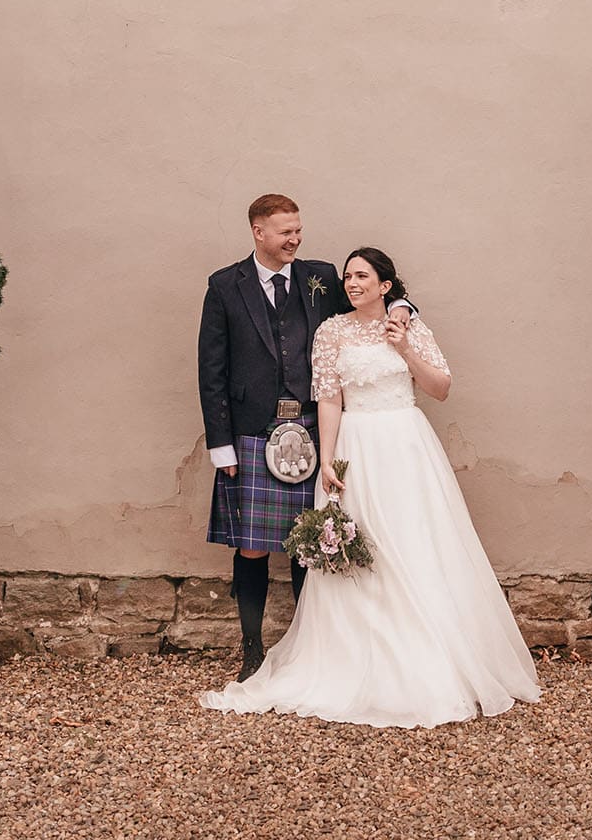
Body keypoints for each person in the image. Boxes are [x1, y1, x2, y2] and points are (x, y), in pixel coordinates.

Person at [200, 247, 541, 728]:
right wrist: (328, 460)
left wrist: (405, 348)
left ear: (385, 286)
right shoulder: (331, 331)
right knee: (364, 550)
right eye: (347, 276)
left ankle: (428, 655)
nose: (352, 283)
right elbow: (329, 399)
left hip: (407, 447)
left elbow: (441, 388)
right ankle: (354, 657)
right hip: (356, 448)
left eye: (362, 276)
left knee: (415, 546)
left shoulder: (408, 326)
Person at [197, 196, 412, 682]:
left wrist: (402, 306)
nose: (295, 239)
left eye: (298, 230)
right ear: (258, 232)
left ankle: (309, 649)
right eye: (285, 232)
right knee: (252, 547)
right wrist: (221, 444)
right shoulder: (225, 286)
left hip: (313, 428)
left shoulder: (321, 277)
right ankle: (252, 649)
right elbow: (211, 371)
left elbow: (371, 304)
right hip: (253, 432)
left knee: (307, 543)